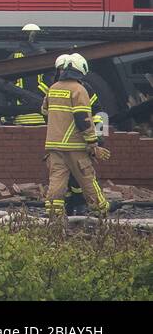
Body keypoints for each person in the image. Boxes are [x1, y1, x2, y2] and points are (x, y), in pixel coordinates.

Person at [44, 53, 110, 217]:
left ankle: (53, 213)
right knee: (87, 178)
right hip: (75, 144)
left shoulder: (53, 89)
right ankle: (101, 210)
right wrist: (94, 142)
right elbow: (83, 118)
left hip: (54, 144)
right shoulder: (79, 89)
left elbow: (44, 111)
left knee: (56, 179)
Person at [4, 23, 49, 125]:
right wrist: (37, 95)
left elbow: (7, 85)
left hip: (20, 112)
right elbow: (50, 81)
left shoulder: (14, 57)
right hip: (40, 111)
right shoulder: (46, 58)